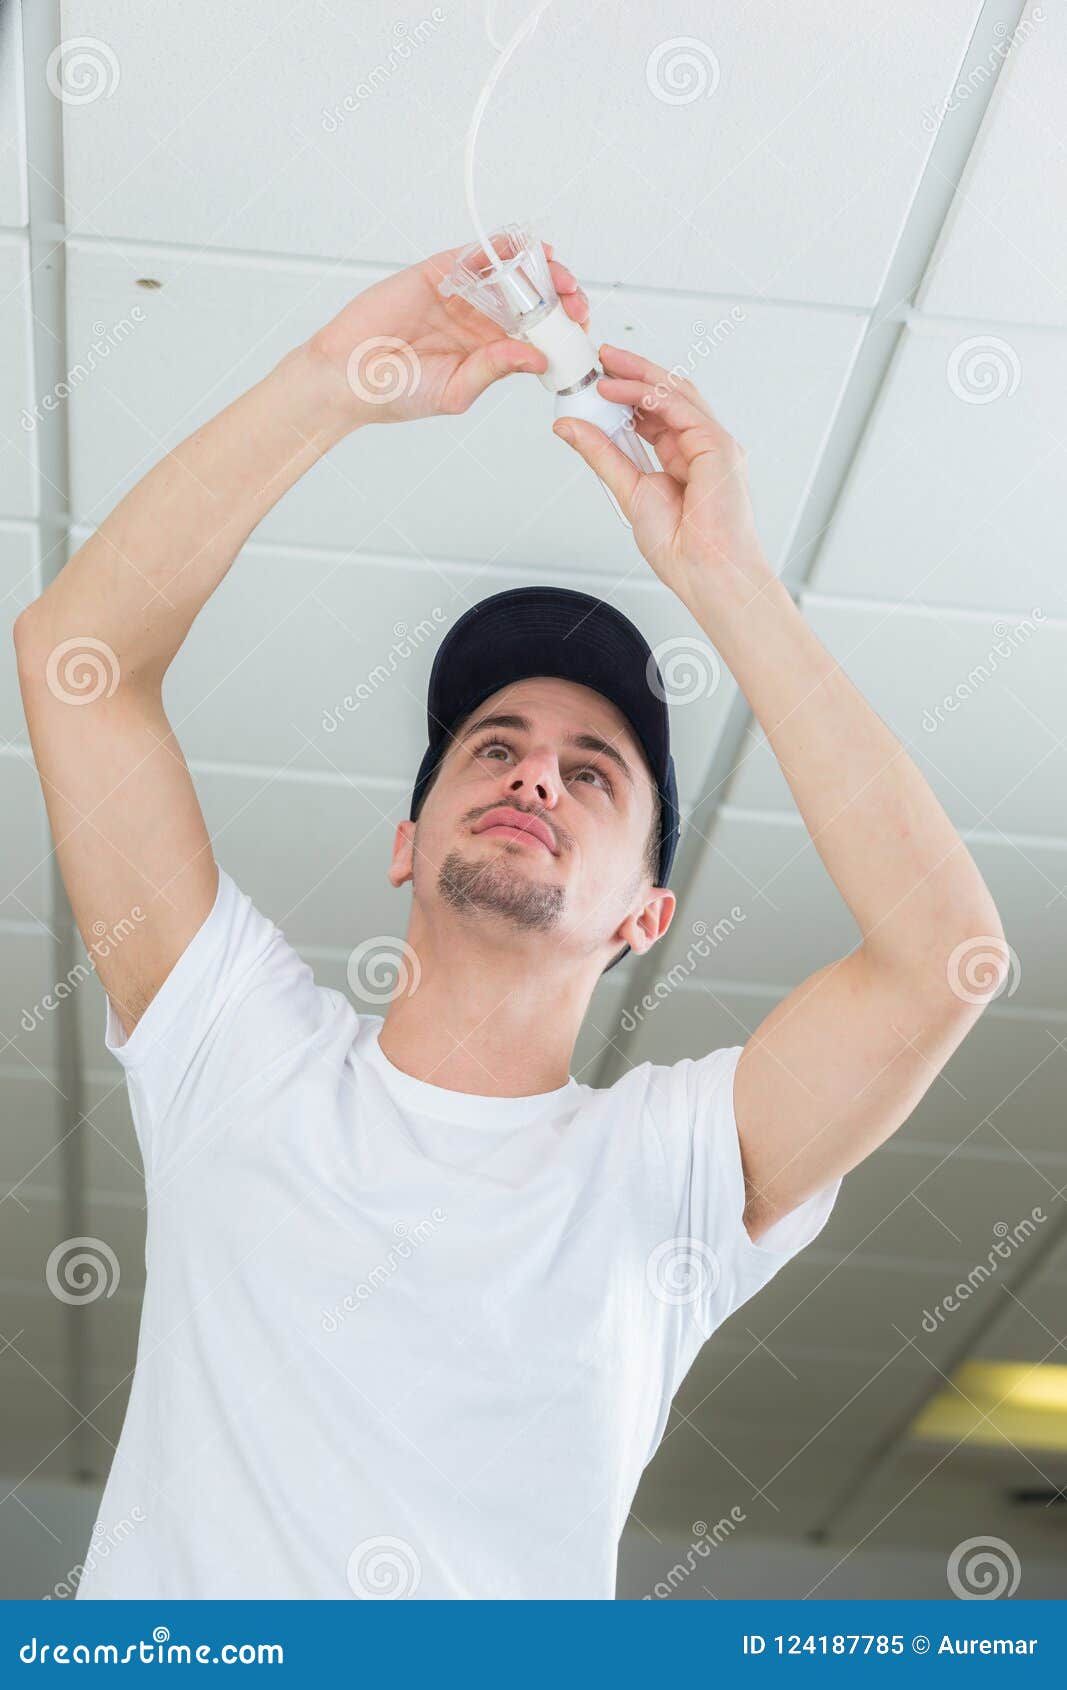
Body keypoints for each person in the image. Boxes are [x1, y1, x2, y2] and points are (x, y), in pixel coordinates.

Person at [14, 241, 1005, 1601]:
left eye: (593, 772)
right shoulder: (236, 1058)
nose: (536, 771)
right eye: (492, 747)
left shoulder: (665, 1170)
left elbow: (943, 963)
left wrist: (724, 574)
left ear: (646, 916)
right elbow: (79, 667)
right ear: (406, 842)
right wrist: (330, 383)